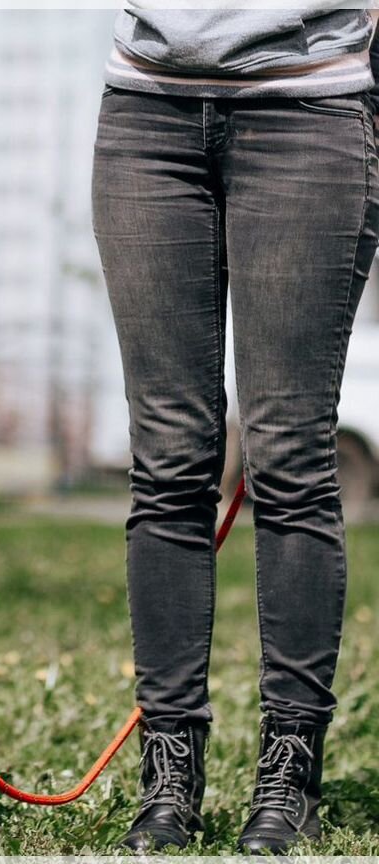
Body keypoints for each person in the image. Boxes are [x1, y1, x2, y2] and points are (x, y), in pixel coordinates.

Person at [92, 7, 379, 854]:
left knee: (291, 456)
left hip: (313, 110)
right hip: (146, 115)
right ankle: (169, 778)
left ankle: (289, 777)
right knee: (170, 461)